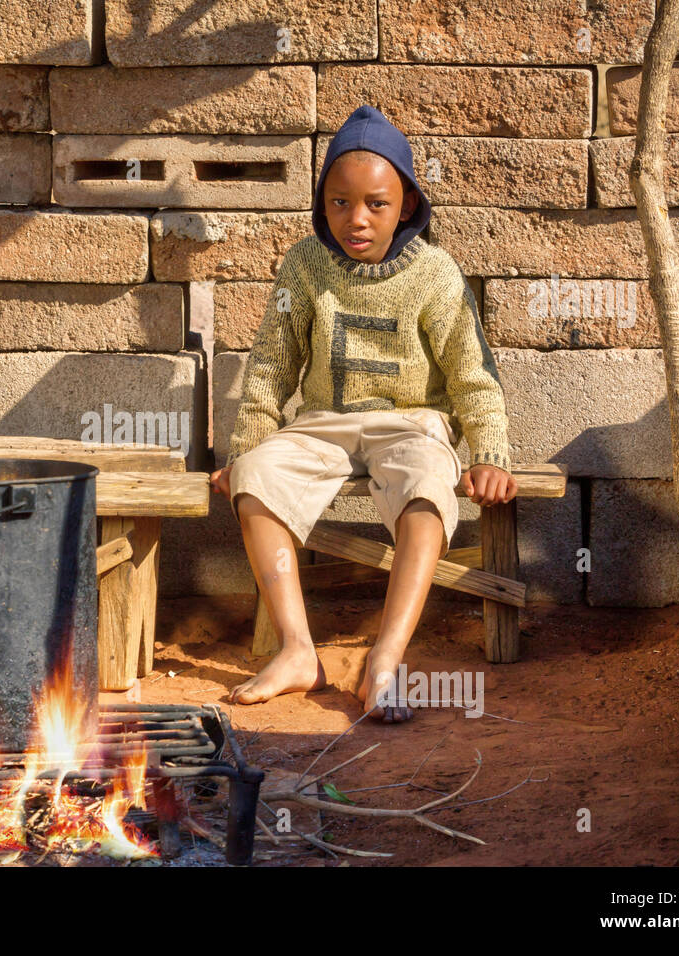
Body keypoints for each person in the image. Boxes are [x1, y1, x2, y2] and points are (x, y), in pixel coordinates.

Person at [210, 105, 518, 722]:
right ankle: (298, 651)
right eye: (340, 202)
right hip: (322, 423)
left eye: (376, 203)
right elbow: (272, 362)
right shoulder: (304, 264)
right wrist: (245, 449)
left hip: (412, 425)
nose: (357, 219)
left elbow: (471, 374)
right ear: (322, 203)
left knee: (429, 486)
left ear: (405, 204)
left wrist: (488, 454)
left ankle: (385, 660)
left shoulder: (435, 273)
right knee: (257, 479)